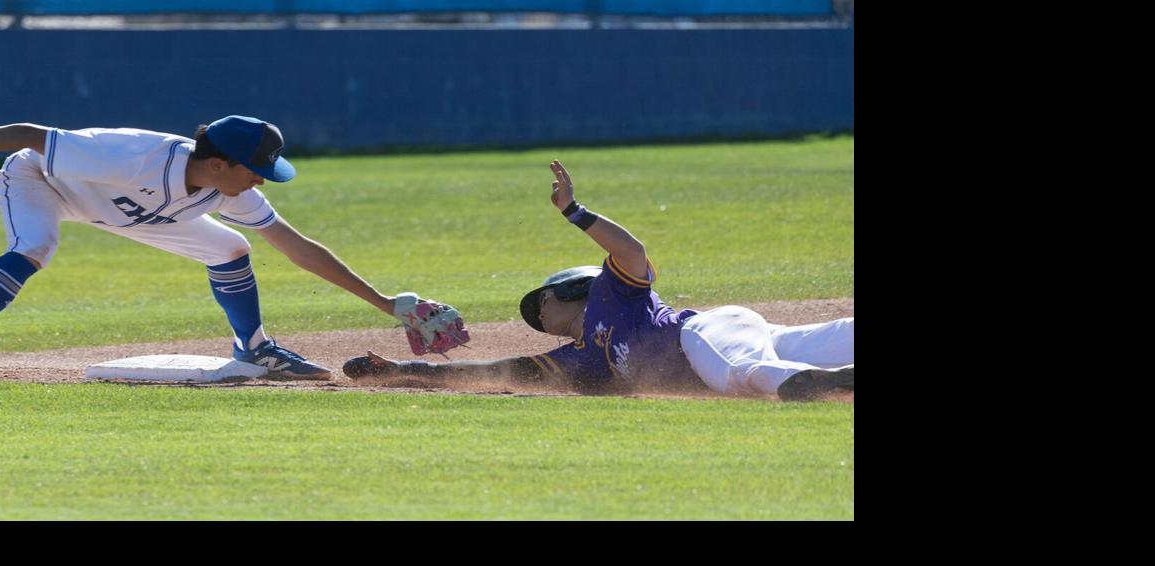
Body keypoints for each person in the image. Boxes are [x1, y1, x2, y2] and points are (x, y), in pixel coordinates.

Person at [0, 116, 445, 380]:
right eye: (255, 169)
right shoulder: (134, 156)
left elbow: (297, 247)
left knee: (230, 249)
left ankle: (254, 349)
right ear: (219, 163)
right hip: (44, 182)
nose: (261, 180)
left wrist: (386, 304)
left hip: (133, 211)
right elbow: (27, 136)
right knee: (35, 246)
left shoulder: (227, 190)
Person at [342, 161, 854, 401]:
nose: (538, 315)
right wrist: (403, 370)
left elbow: (631, 251)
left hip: (706, 333)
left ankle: (798, 384)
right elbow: (499, 371)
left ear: (573, 288)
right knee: (829, 338)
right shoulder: (580, 358)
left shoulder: (614, 290)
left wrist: (575, 213)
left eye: (541, 300)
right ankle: (815, 374)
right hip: (739, 340)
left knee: (743, 374)